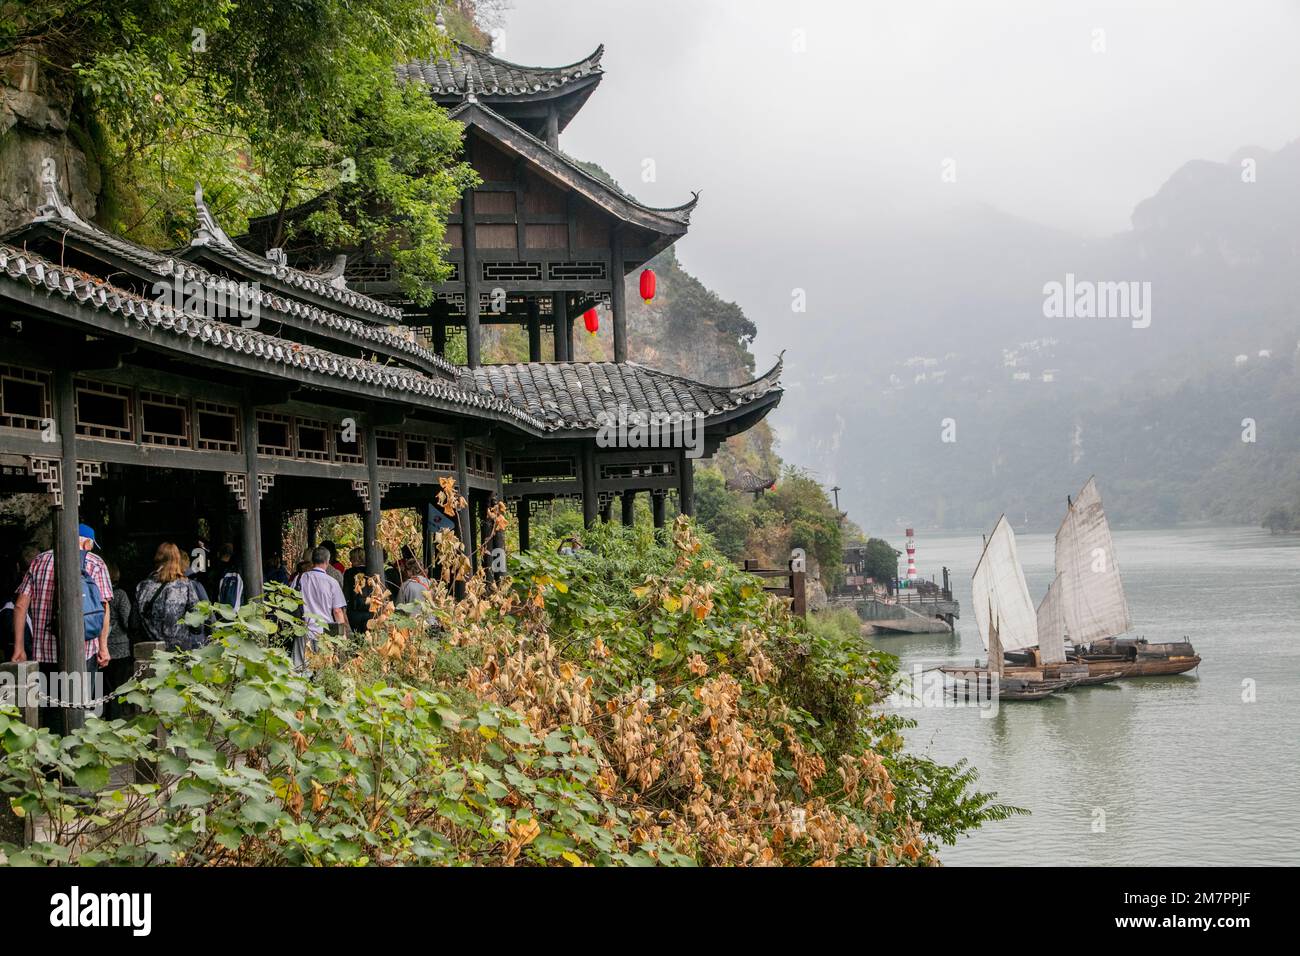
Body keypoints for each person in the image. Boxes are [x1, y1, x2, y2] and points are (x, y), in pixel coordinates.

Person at [11, 525, 112, 733]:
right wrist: (103, 647)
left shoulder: (38, 561)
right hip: (83, 652)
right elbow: (103, 607)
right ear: (86, 543)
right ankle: (76, 759)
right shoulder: (95, 562)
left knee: (51, 712)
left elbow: (21, 605)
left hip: (45, 655)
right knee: (81, 709)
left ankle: (53, 763)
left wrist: (19, 646)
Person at [134, 542, 205, 651]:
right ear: (177, 560)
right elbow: (197, 624)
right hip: (179, 652)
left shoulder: (142, 587)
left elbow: (134, 623)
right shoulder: (185, 586)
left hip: (150, 651)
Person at [291, 546, 346, 672]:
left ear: (312, 560)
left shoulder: (299, 578)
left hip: (303, 630)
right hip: (324, 633)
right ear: (327, 561)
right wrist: (342, 636)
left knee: (300, 671)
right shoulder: (332, 582)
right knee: (322, 673)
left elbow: (291, 601)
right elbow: (337, 611)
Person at [103, 561, 133, 720]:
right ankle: (117, 719)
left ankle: (107, 718)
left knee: (105, 689)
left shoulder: (98, 593)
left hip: (101, 648)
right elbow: (127, 620)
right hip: (120, 649)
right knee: (119, 688)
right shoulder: (120, 595)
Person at [341, 547, 375, 634]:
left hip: (354, 612)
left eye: (351, 558)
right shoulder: (372, 571)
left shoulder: (349, 573)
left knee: (357, 637)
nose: (350, 560)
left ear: (355, 559)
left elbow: (345, 594)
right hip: (371, 611)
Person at [213, 542, 244, 609]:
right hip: (233, 610)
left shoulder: (217, 570)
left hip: (220, 607)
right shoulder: (236, 571)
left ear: (218, 554)